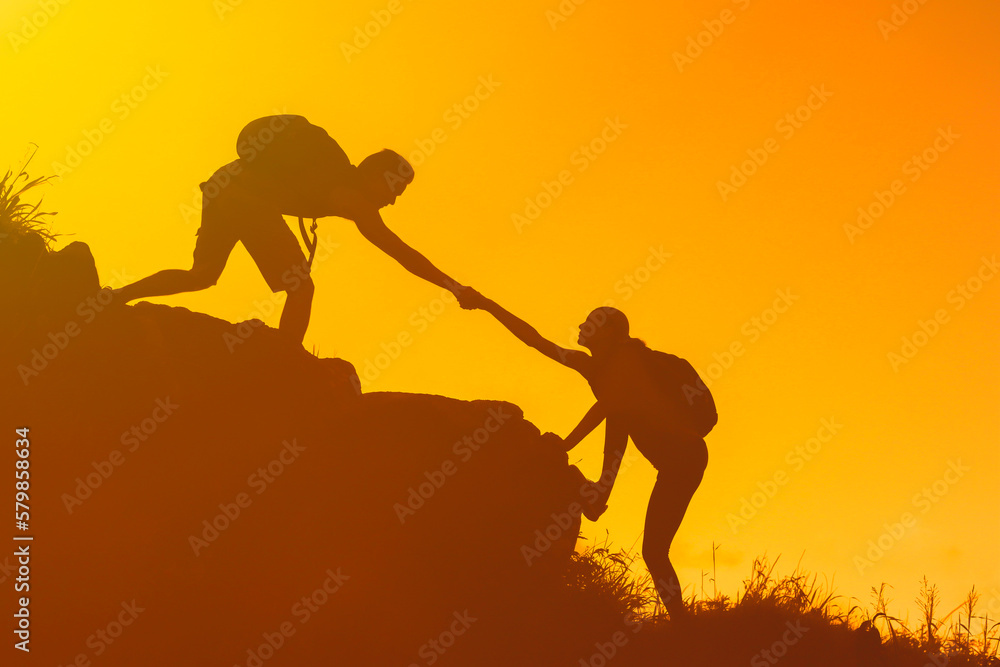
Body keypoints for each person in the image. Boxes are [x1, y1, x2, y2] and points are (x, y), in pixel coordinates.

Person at [115, 115, 476, 344]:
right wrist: (453, 286)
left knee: (203, 274)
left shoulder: (332, 178)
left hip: (224, 180)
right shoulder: (349, 195)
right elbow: (399, 251)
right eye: (394, 188)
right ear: (374, 175)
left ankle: (113, 298)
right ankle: (286, 362)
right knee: (301, 288)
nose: (394, 200)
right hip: (247, 195)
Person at [472, 297, 715, 620]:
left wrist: (568, 445)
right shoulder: (599, 369)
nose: (582, 326)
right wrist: (488, 305)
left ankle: (684, 628)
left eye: (593, 322)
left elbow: (610, 410)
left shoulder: (628, 360)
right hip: (674, 460)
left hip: (684, 459)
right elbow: (536, 342)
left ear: (614, 334)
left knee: (654, 552)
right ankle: (602, 491)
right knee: (619, 416)